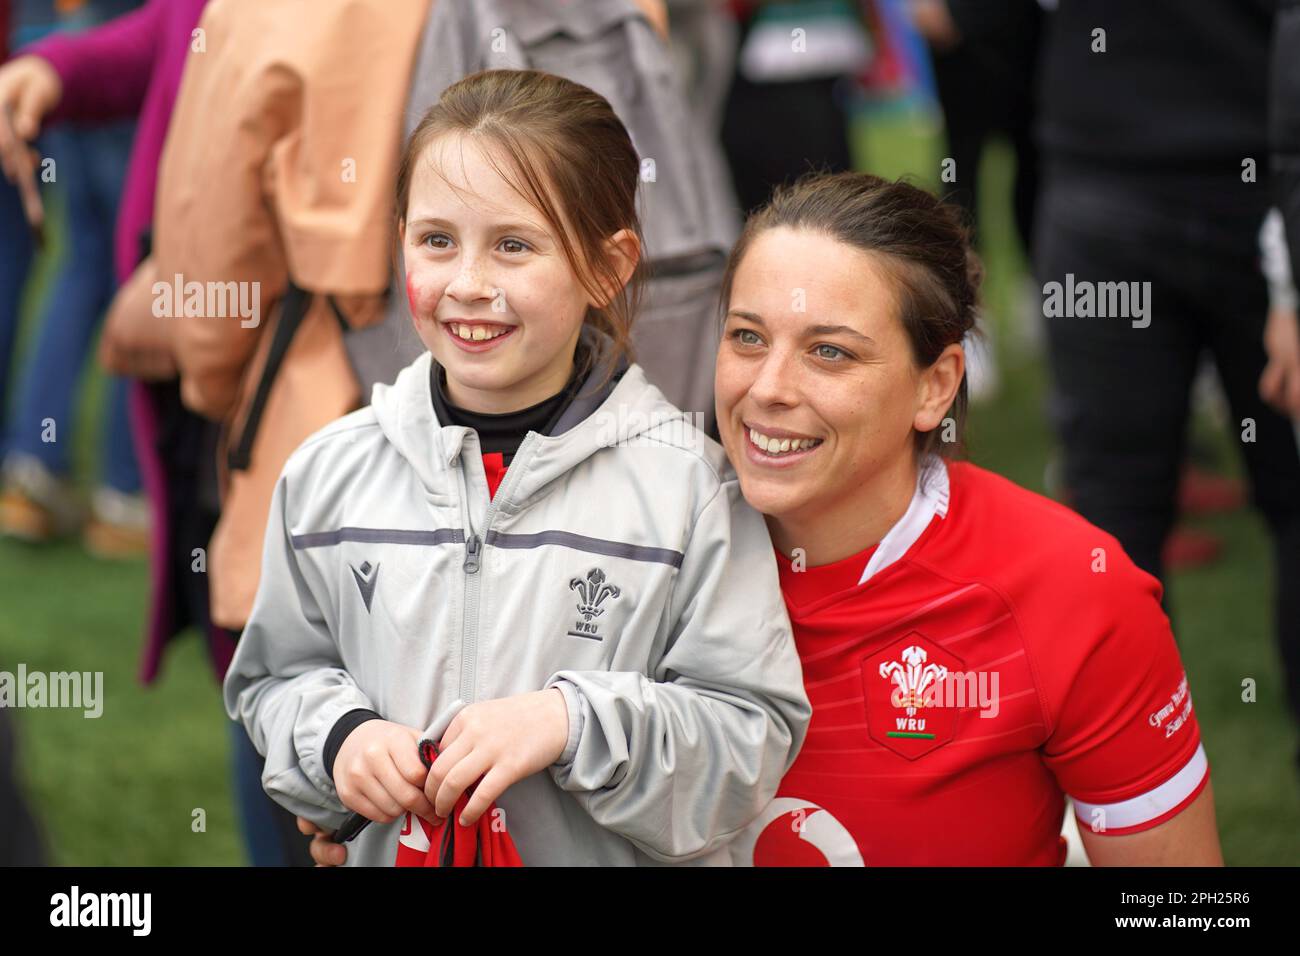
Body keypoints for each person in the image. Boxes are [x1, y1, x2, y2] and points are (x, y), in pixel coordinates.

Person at [224, 69, 810, 867]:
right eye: (436, 240)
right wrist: (337, 739)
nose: (468, 284)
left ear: (608, 267)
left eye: (513, 245)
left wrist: (571, 724)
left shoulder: (691, 490)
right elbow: (274, 679)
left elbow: (747, 734)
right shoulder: (328, 474)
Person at [714, 172, 1220, 865]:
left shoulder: (1072, 588)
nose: (767, 388)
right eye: (747, 337)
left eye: (828, 351)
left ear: (937, 385)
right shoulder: (646, 545)